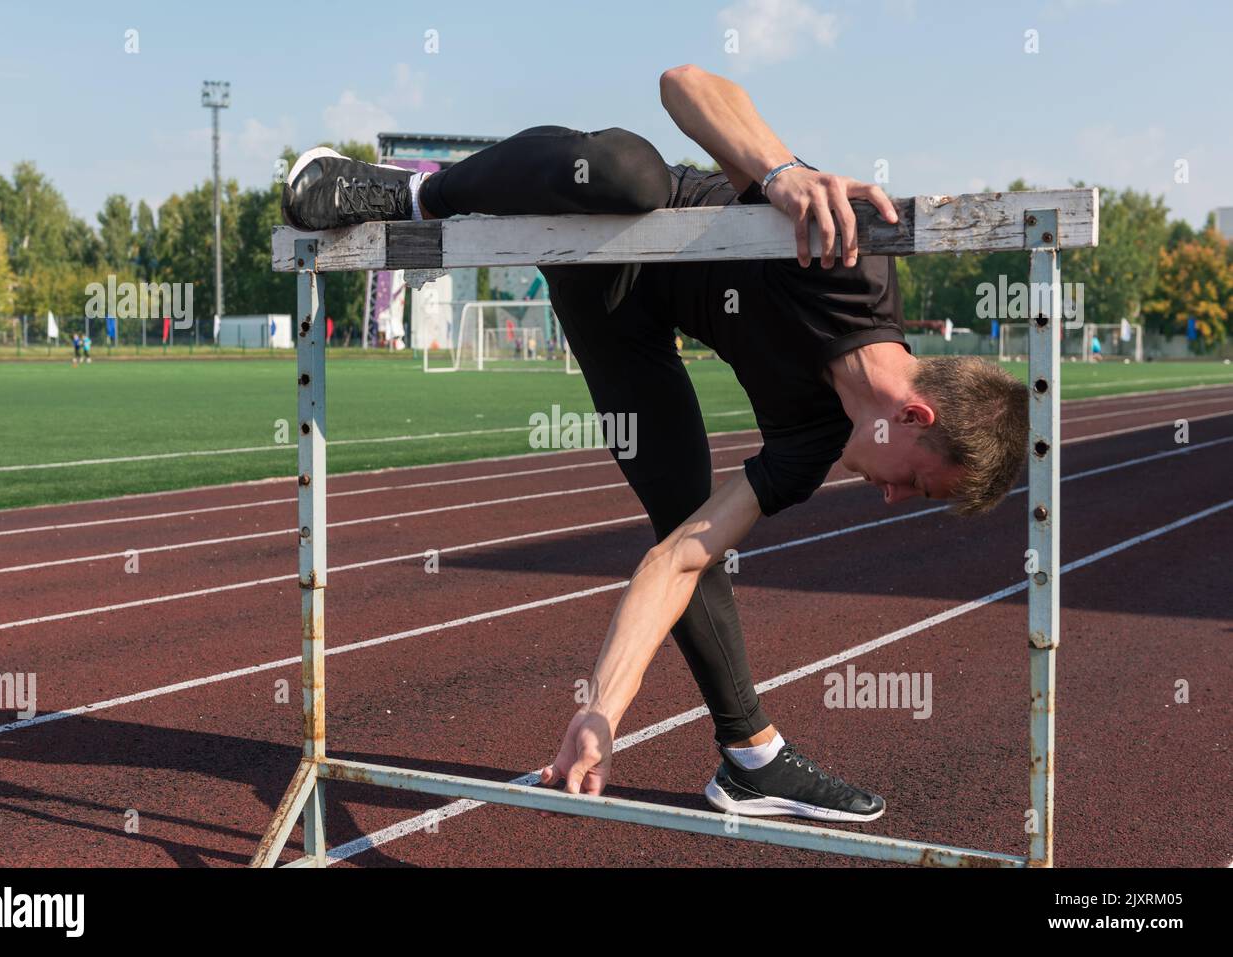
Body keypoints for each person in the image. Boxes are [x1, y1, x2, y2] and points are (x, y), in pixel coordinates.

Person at [281, 64, 1027, 823]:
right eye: (920, 485)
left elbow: (678, 559)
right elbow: (683, 82)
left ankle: (750, 756)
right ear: (916, 419)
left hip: (614, 312)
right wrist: (782, 171)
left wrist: (602, 712)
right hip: (630, 209)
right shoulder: (851, 261)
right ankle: (414, 191)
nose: (894, 496)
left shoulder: (812, 443)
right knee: (627, 173)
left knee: (682, 506)